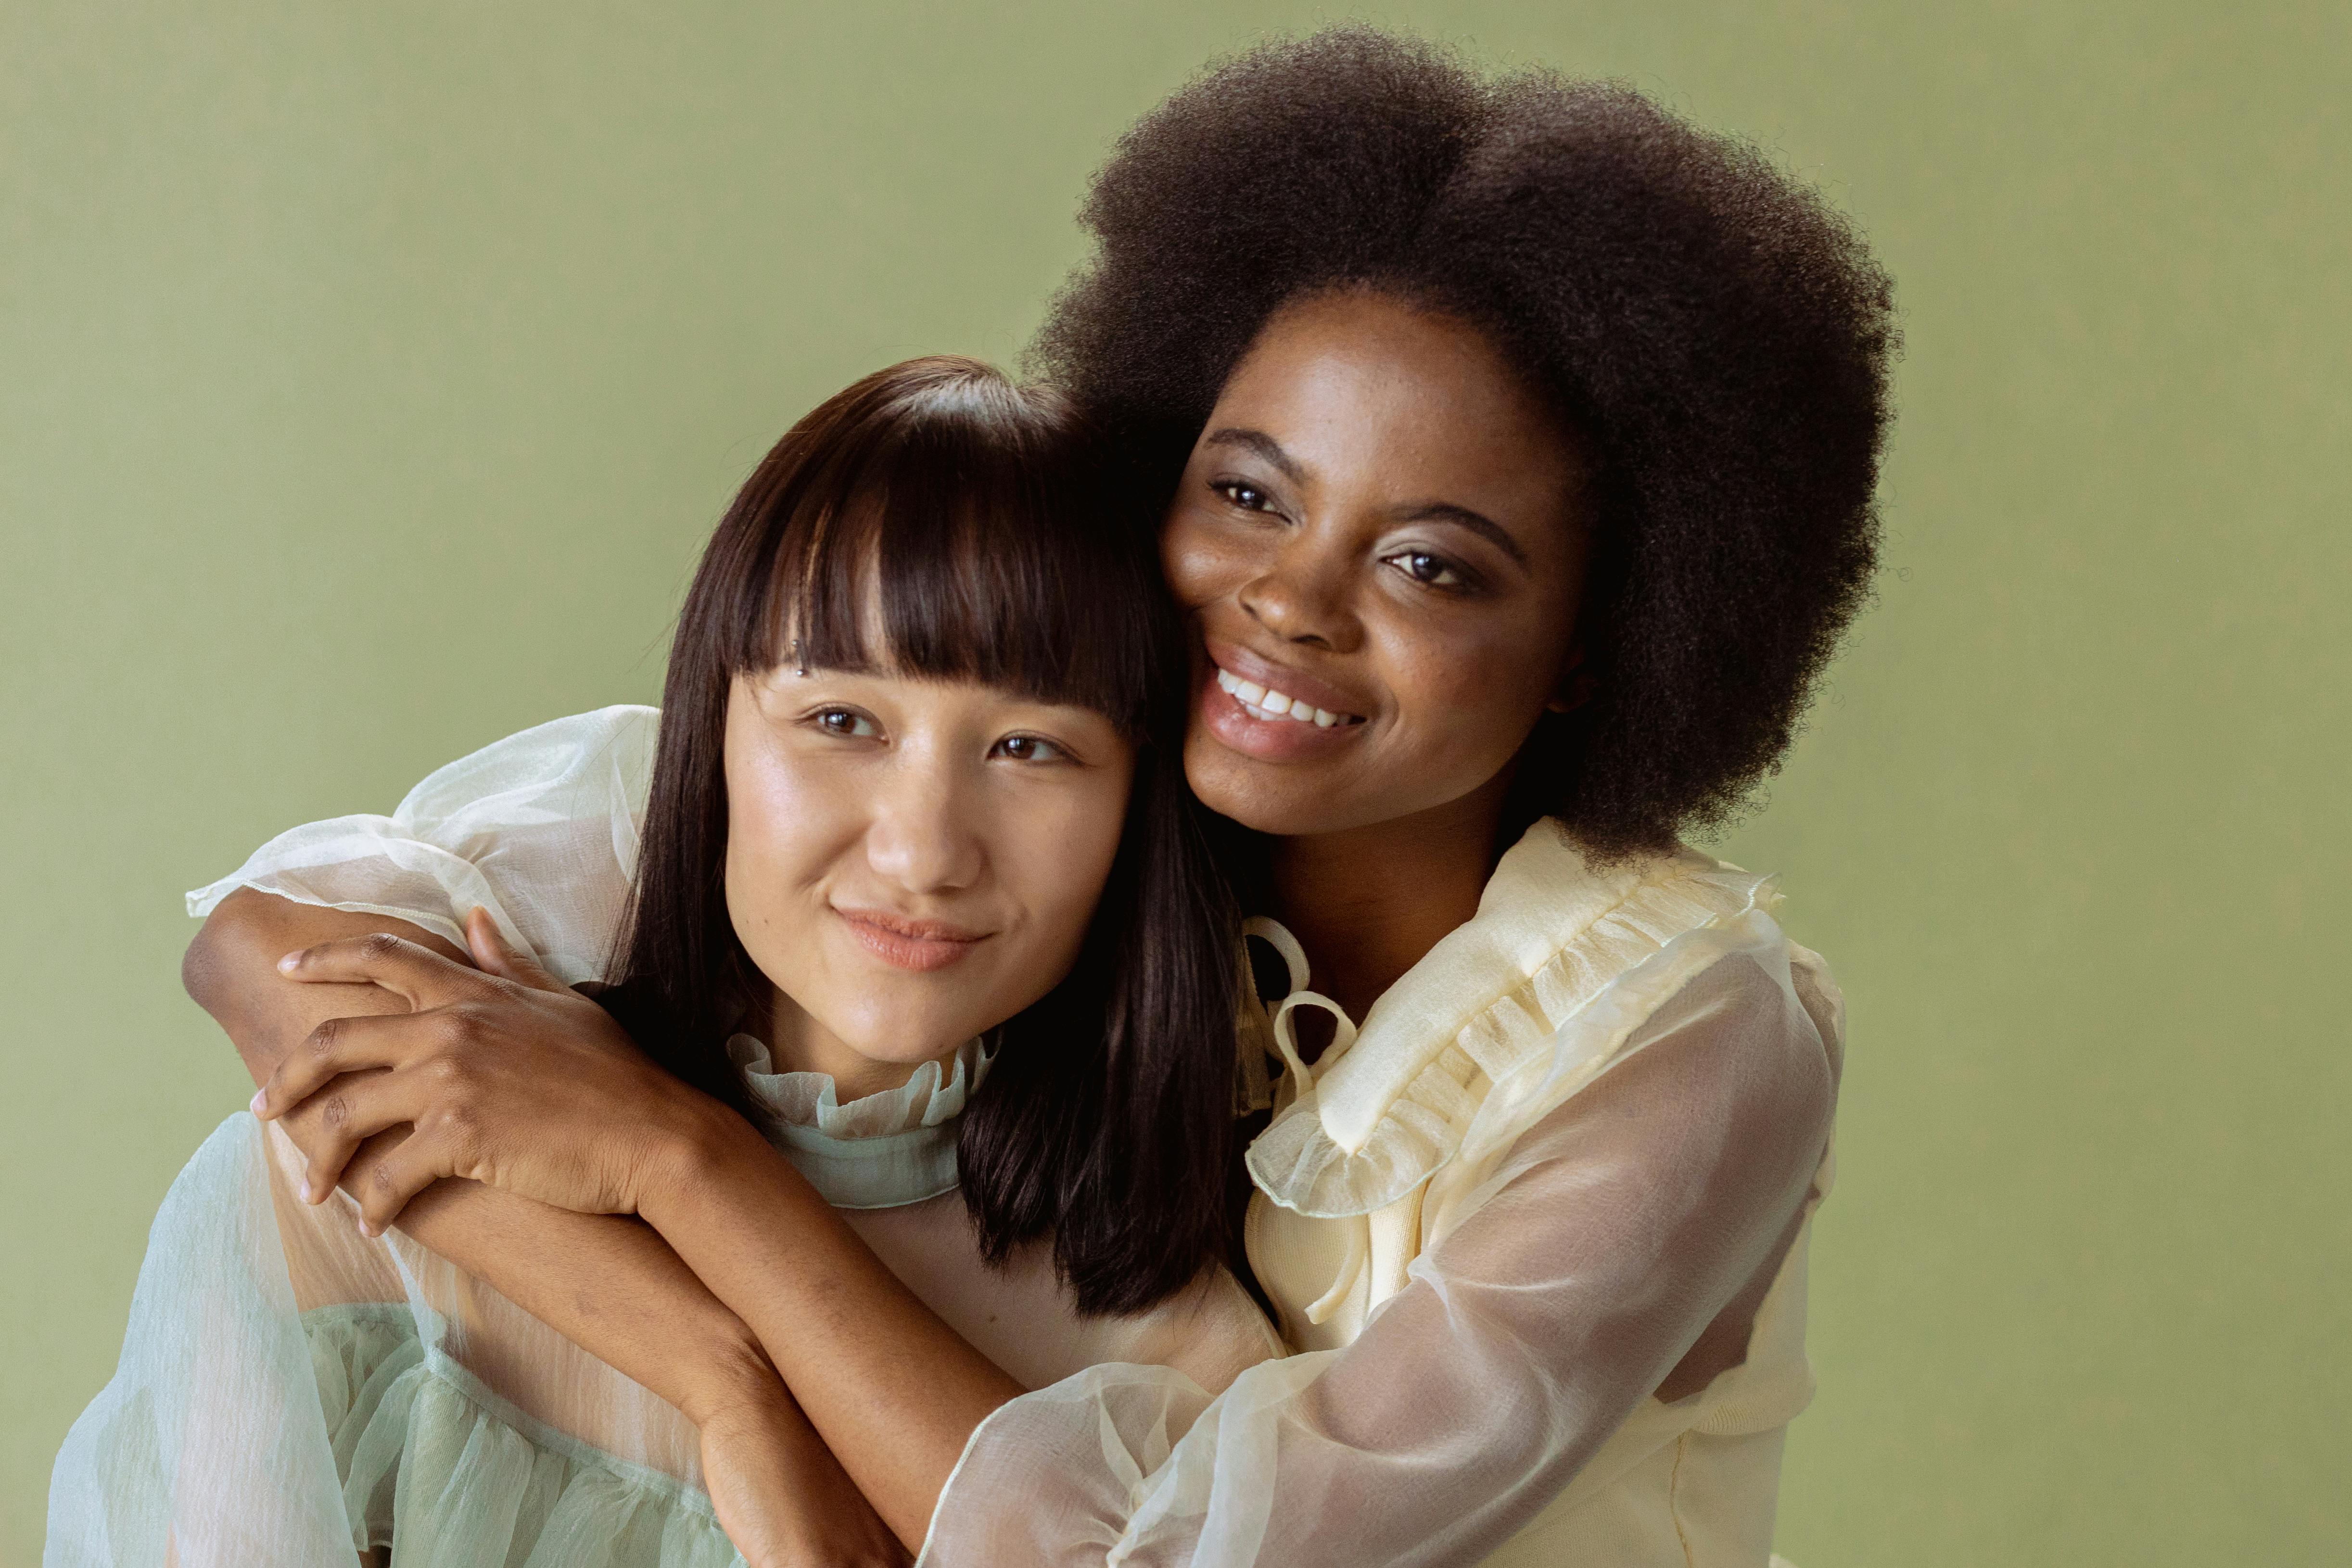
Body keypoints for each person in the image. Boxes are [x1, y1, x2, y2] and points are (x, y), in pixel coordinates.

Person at [90, 25, 1895, 1568]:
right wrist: (715, 1384)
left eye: (1431, 565)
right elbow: (280, 954)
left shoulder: (1688, 1036)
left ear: (1602, 638)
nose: (1291, 600)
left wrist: (677, 1157)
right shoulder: (1081, 775)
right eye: (1250, 495)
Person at [46, 357, 1285, 1568]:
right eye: (841, 720)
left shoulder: (1185, 1373)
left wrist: (674, 1152)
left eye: (1030, 748)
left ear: (1138, 804)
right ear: (715, 731)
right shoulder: (394, 1179)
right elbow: (251, 954)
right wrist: (723, 1381)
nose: (922, 854)